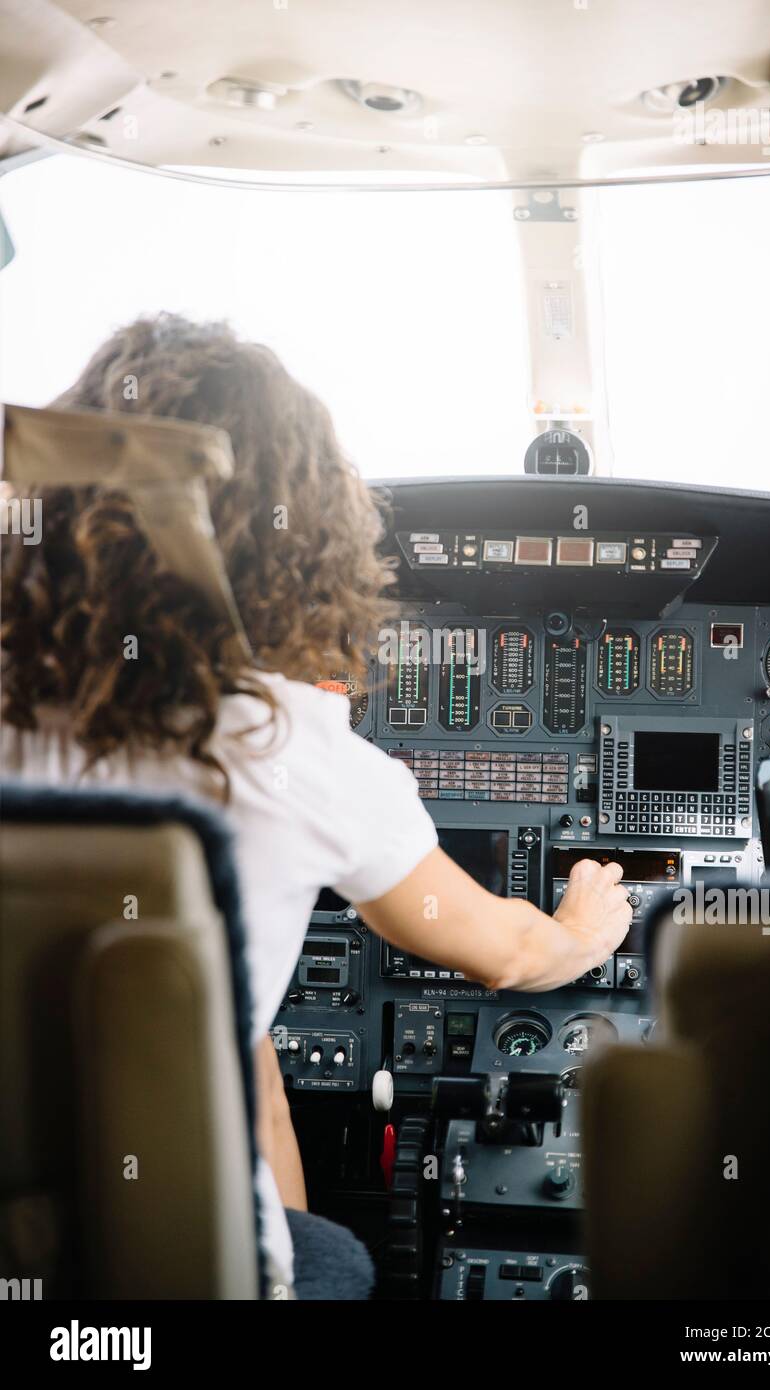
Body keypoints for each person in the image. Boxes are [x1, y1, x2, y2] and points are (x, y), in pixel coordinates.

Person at [0, 313, 631, 1296]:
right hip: (177, 1270)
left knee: (232, 1028)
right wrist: (585, 929)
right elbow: (505, 951)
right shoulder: (285, 743)